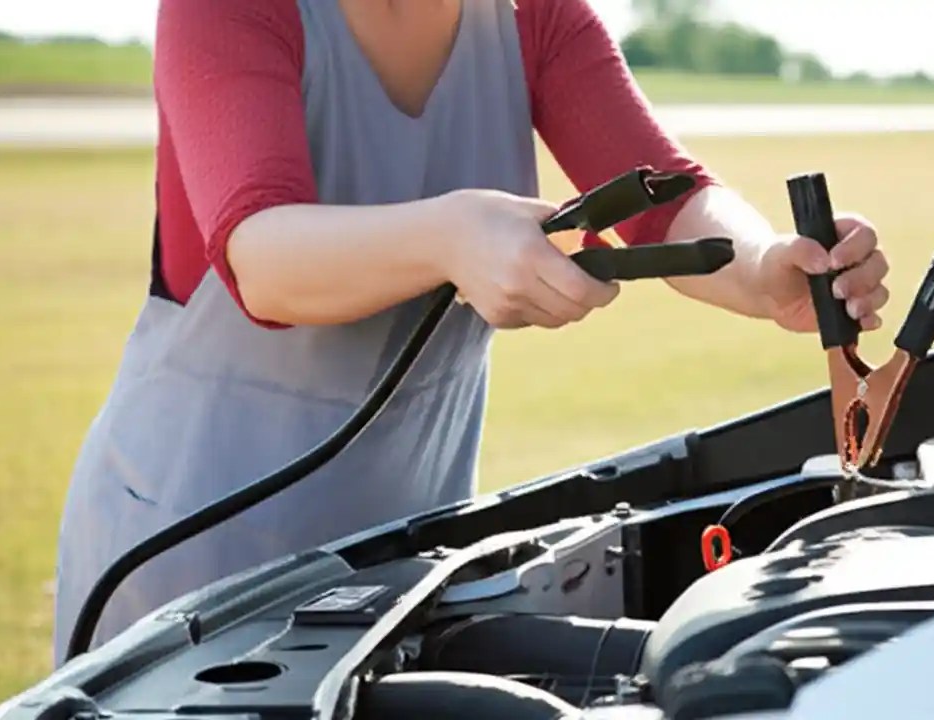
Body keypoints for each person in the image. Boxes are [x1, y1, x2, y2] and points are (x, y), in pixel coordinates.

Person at [51, 0, 891, 665]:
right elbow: (263, 260)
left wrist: (767, 265)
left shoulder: (537, 15)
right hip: (188, 547)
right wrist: (451, 238)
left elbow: (669, 201)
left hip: (406, 551)